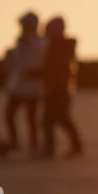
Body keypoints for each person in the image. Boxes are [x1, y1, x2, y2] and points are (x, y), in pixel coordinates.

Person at [2, 11, 45, 156]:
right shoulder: (21, 41)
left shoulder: (39, 42)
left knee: (31, 118)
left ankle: (34, 145)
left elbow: (38, 62)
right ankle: (15, 141)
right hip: (18, 86)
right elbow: (15, 61)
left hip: (32, 88)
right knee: (10, 114)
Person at [39, 16, 83, 158]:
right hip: (60, 88)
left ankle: (51, 148)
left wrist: (49, 83)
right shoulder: (60, 46)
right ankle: (73, 145)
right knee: (59, 118)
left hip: (58, 89)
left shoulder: (58, 47)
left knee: (52, 119)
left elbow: (54, 69)